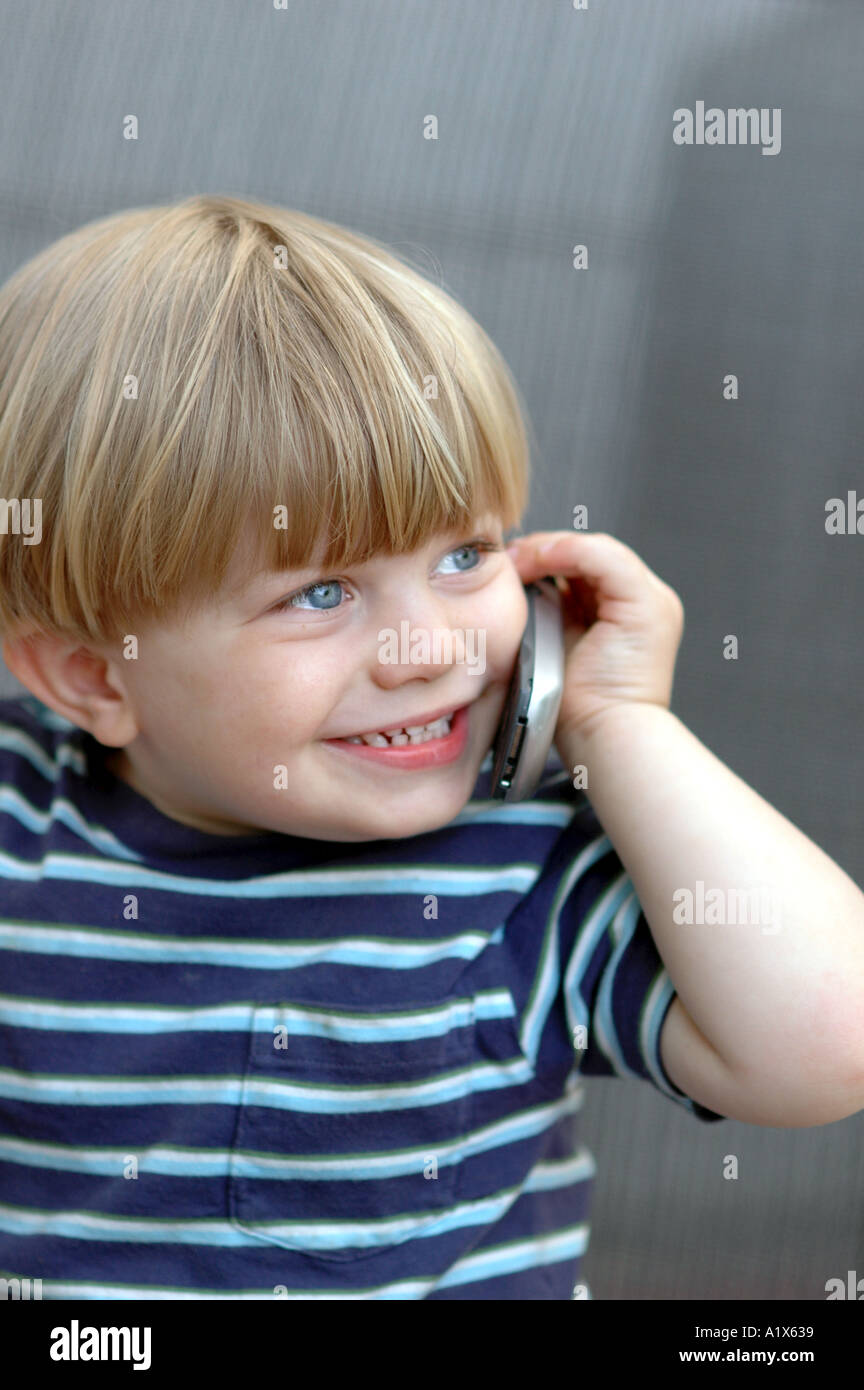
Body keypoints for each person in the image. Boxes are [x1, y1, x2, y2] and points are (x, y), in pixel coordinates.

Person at [0, 194, 861, 1300]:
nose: (428, 646)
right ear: (95, 674)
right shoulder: (24, 819)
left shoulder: (522, 867)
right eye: (320, 592)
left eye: (464, 555)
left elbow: (828, 1042)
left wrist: (620, 726)